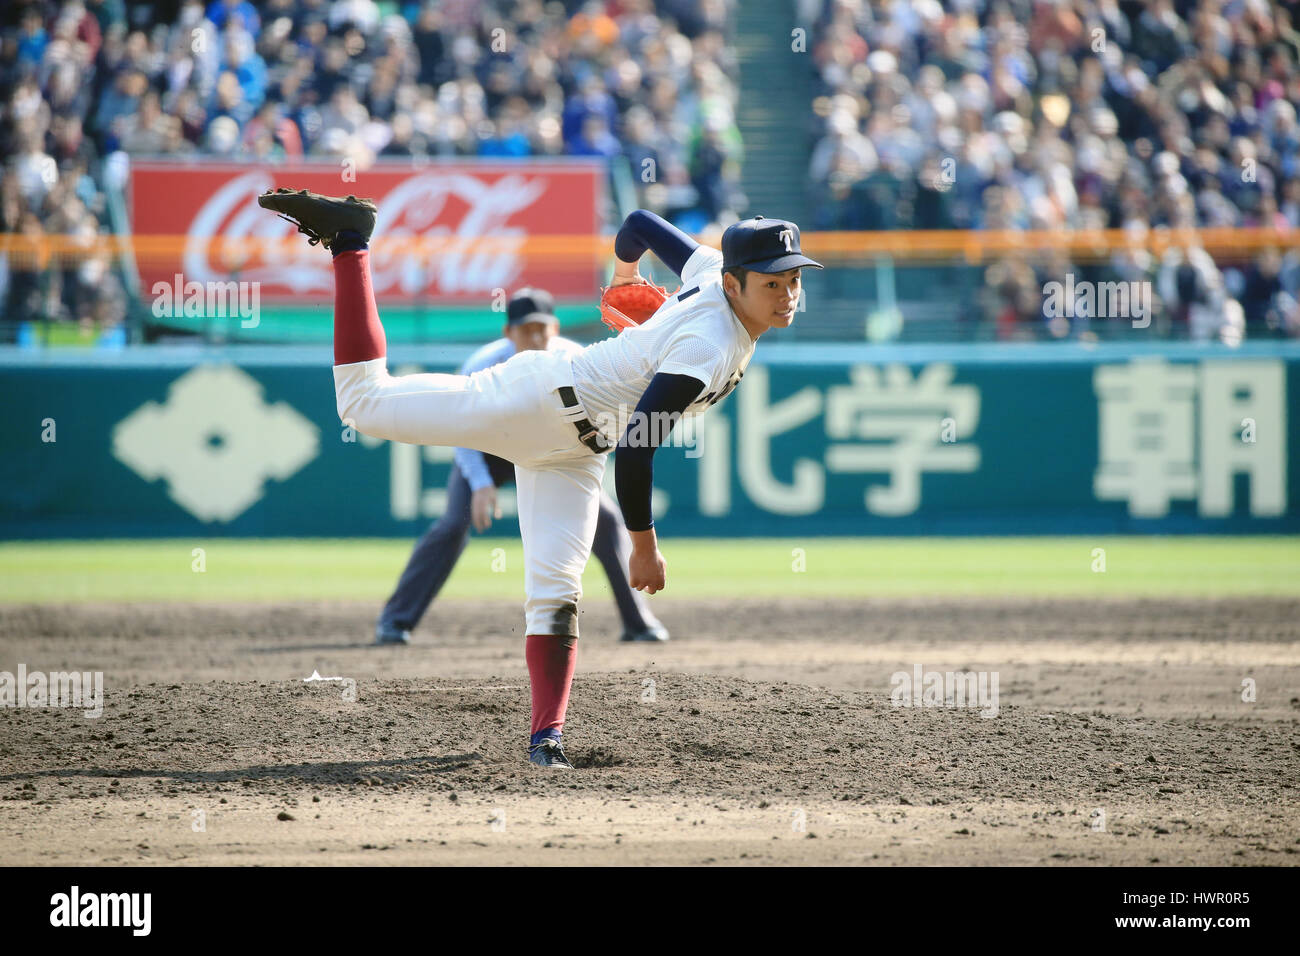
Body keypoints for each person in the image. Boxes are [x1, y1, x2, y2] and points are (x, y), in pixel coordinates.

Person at [257, 187, 821, 768]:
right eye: (771, 283)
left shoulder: (708, 267)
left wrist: (623, 273)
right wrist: (644, 549)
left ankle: (545, 740)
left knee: (556, 593)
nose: (787, 295)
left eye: (793, 279)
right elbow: (637, 451)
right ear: (734, 283)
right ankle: (351, 241)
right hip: (537, 401)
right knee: (363, 405)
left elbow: (637, 224)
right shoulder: (709, 342)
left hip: (577, 454)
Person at [374, 287, 669, 646]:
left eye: (541, 328)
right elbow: (461, 430)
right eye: (526, 329)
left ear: (555, 329)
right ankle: (395, 621)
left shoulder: (577, 360)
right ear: (508, 333)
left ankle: (638, 622)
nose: (534, 336)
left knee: (606, 522)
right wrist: (481, 484)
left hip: (552, 449)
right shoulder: (483, 364)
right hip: (488, 449)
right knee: (453, 524)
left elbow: (601, 422)